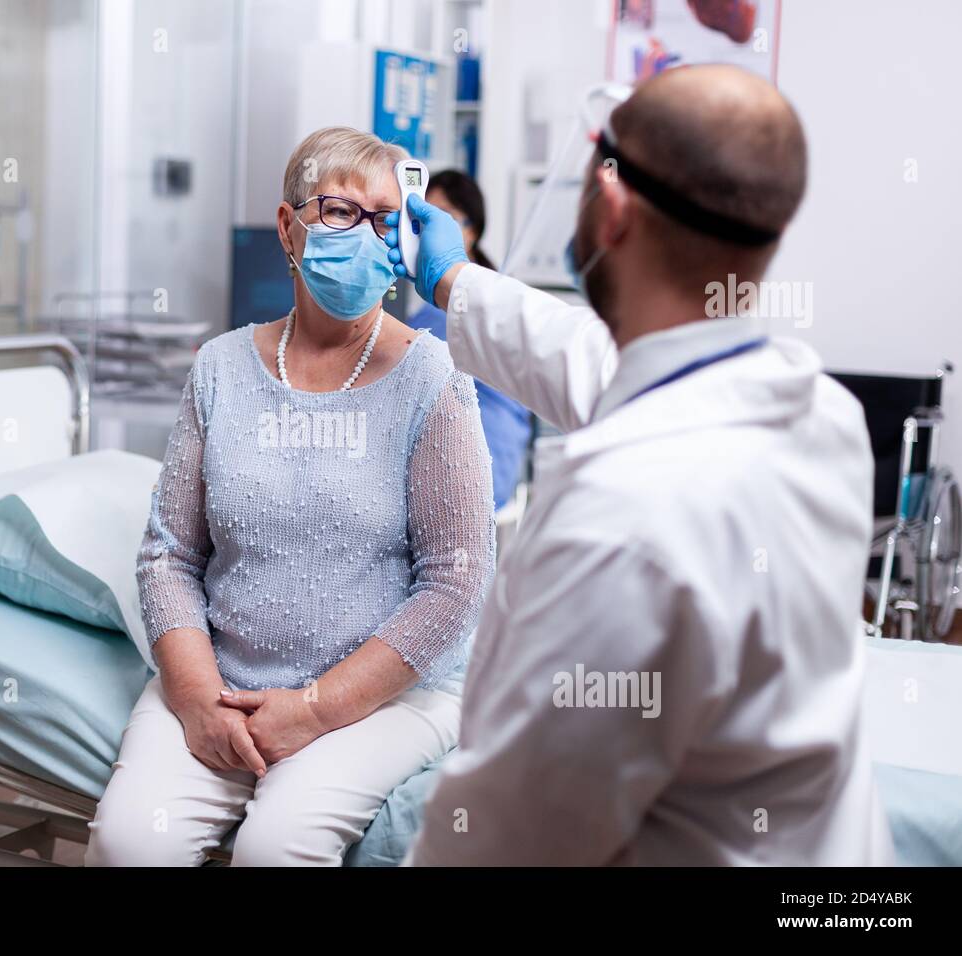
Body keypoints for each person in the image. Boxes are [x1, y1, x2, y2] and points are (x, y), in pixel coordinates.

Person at [385, 64, 892, 864]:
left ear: (612, 208)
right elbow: (605, 364)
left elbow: (504, 840)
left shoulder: (618, 519)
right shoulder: (817, 410)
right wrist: (454, 281)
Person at [85, 127, 495, 866]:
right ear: (289, 227)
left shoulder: (434, 378)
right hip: (225, 681)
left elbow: (457, 582)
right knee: (126, 843)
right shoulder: (219, 369)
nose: (364, 235)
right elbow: (169, 556)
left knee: (276, 846)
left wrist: (314, 709)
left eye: (383, 219)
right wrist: (198, 695)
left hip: (385, 698)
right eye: (340, 211)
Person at [406, 170, 532, 511]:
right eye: (417, 218)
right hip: (495, 466)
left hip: (479, 469)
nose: (424, 231)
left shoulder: (450, 309)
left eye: (442, 219)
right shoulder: (482, 290)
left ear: (471, 232)